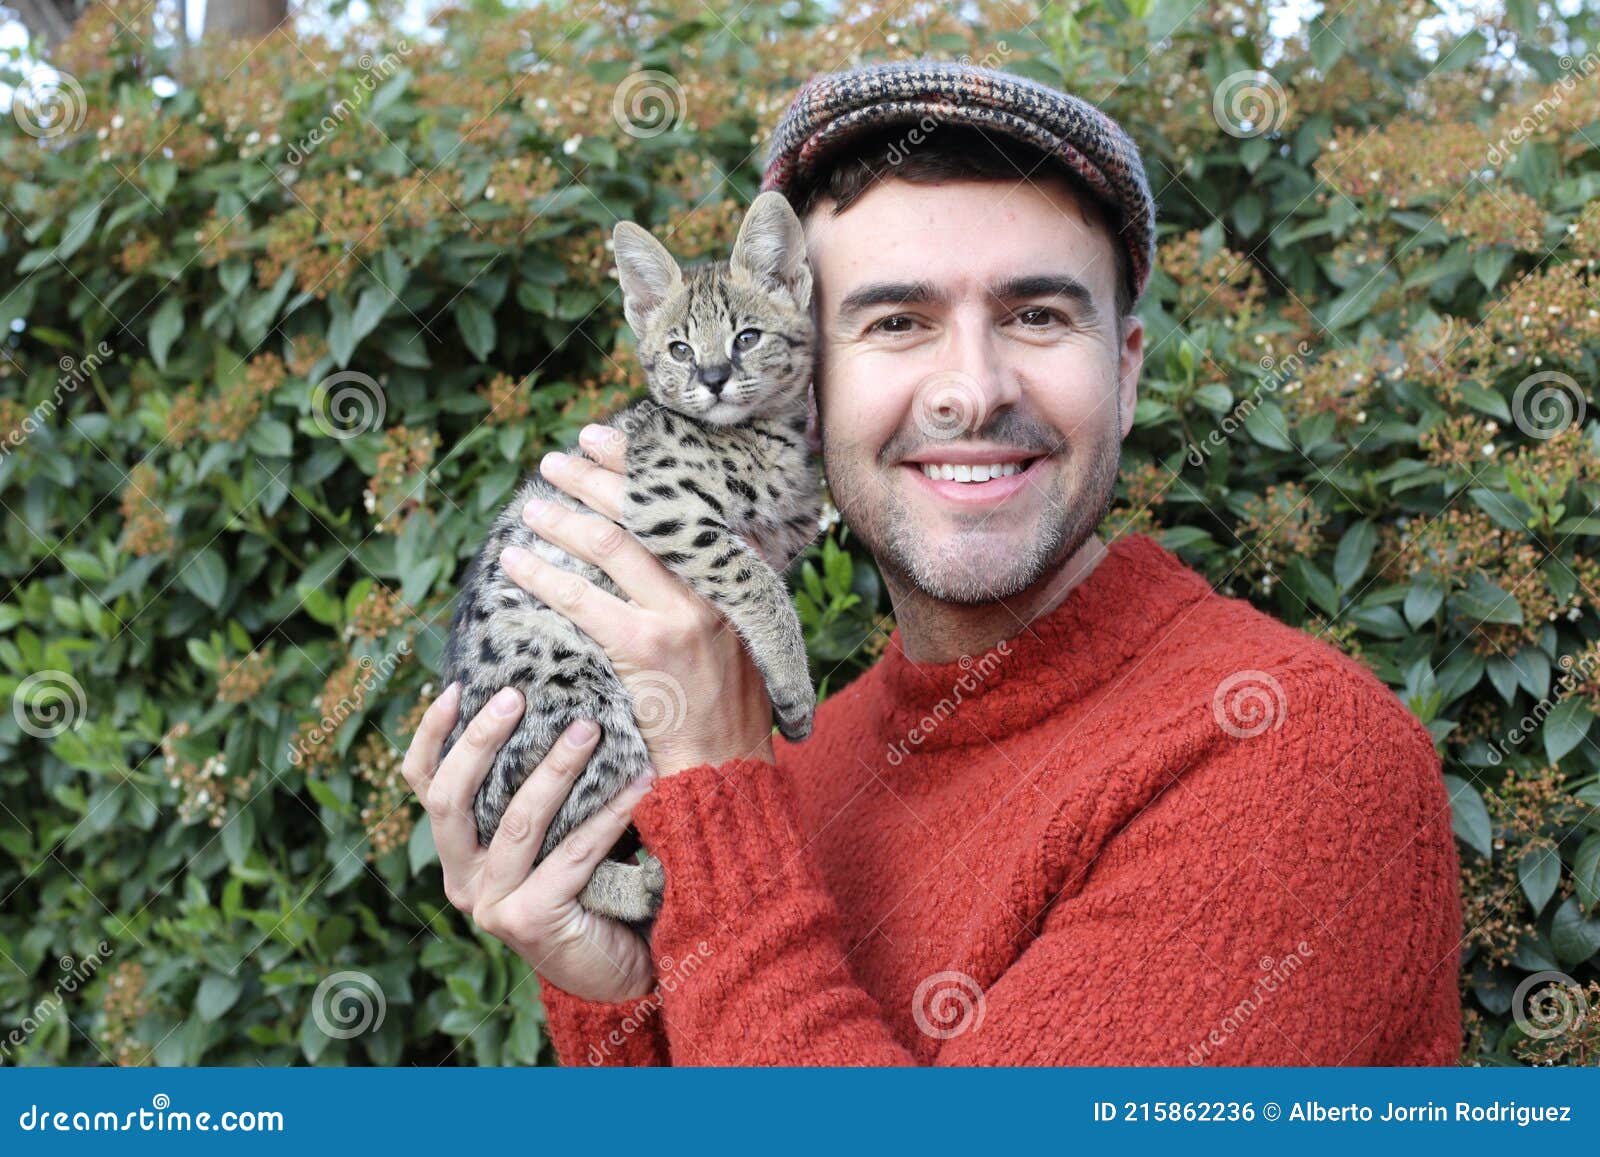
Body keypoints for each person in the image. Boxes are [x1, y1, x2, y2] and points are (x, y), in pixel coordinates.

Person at [401, 58, 1462, 1065]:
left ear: (1127, 375)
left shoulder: (1290, 752)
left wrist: (718, 790)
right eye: (897, 321)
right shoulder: (801, 764)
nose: (971, 389)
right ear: (804, 383)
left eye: (1036, 314)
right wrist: (617, 989)